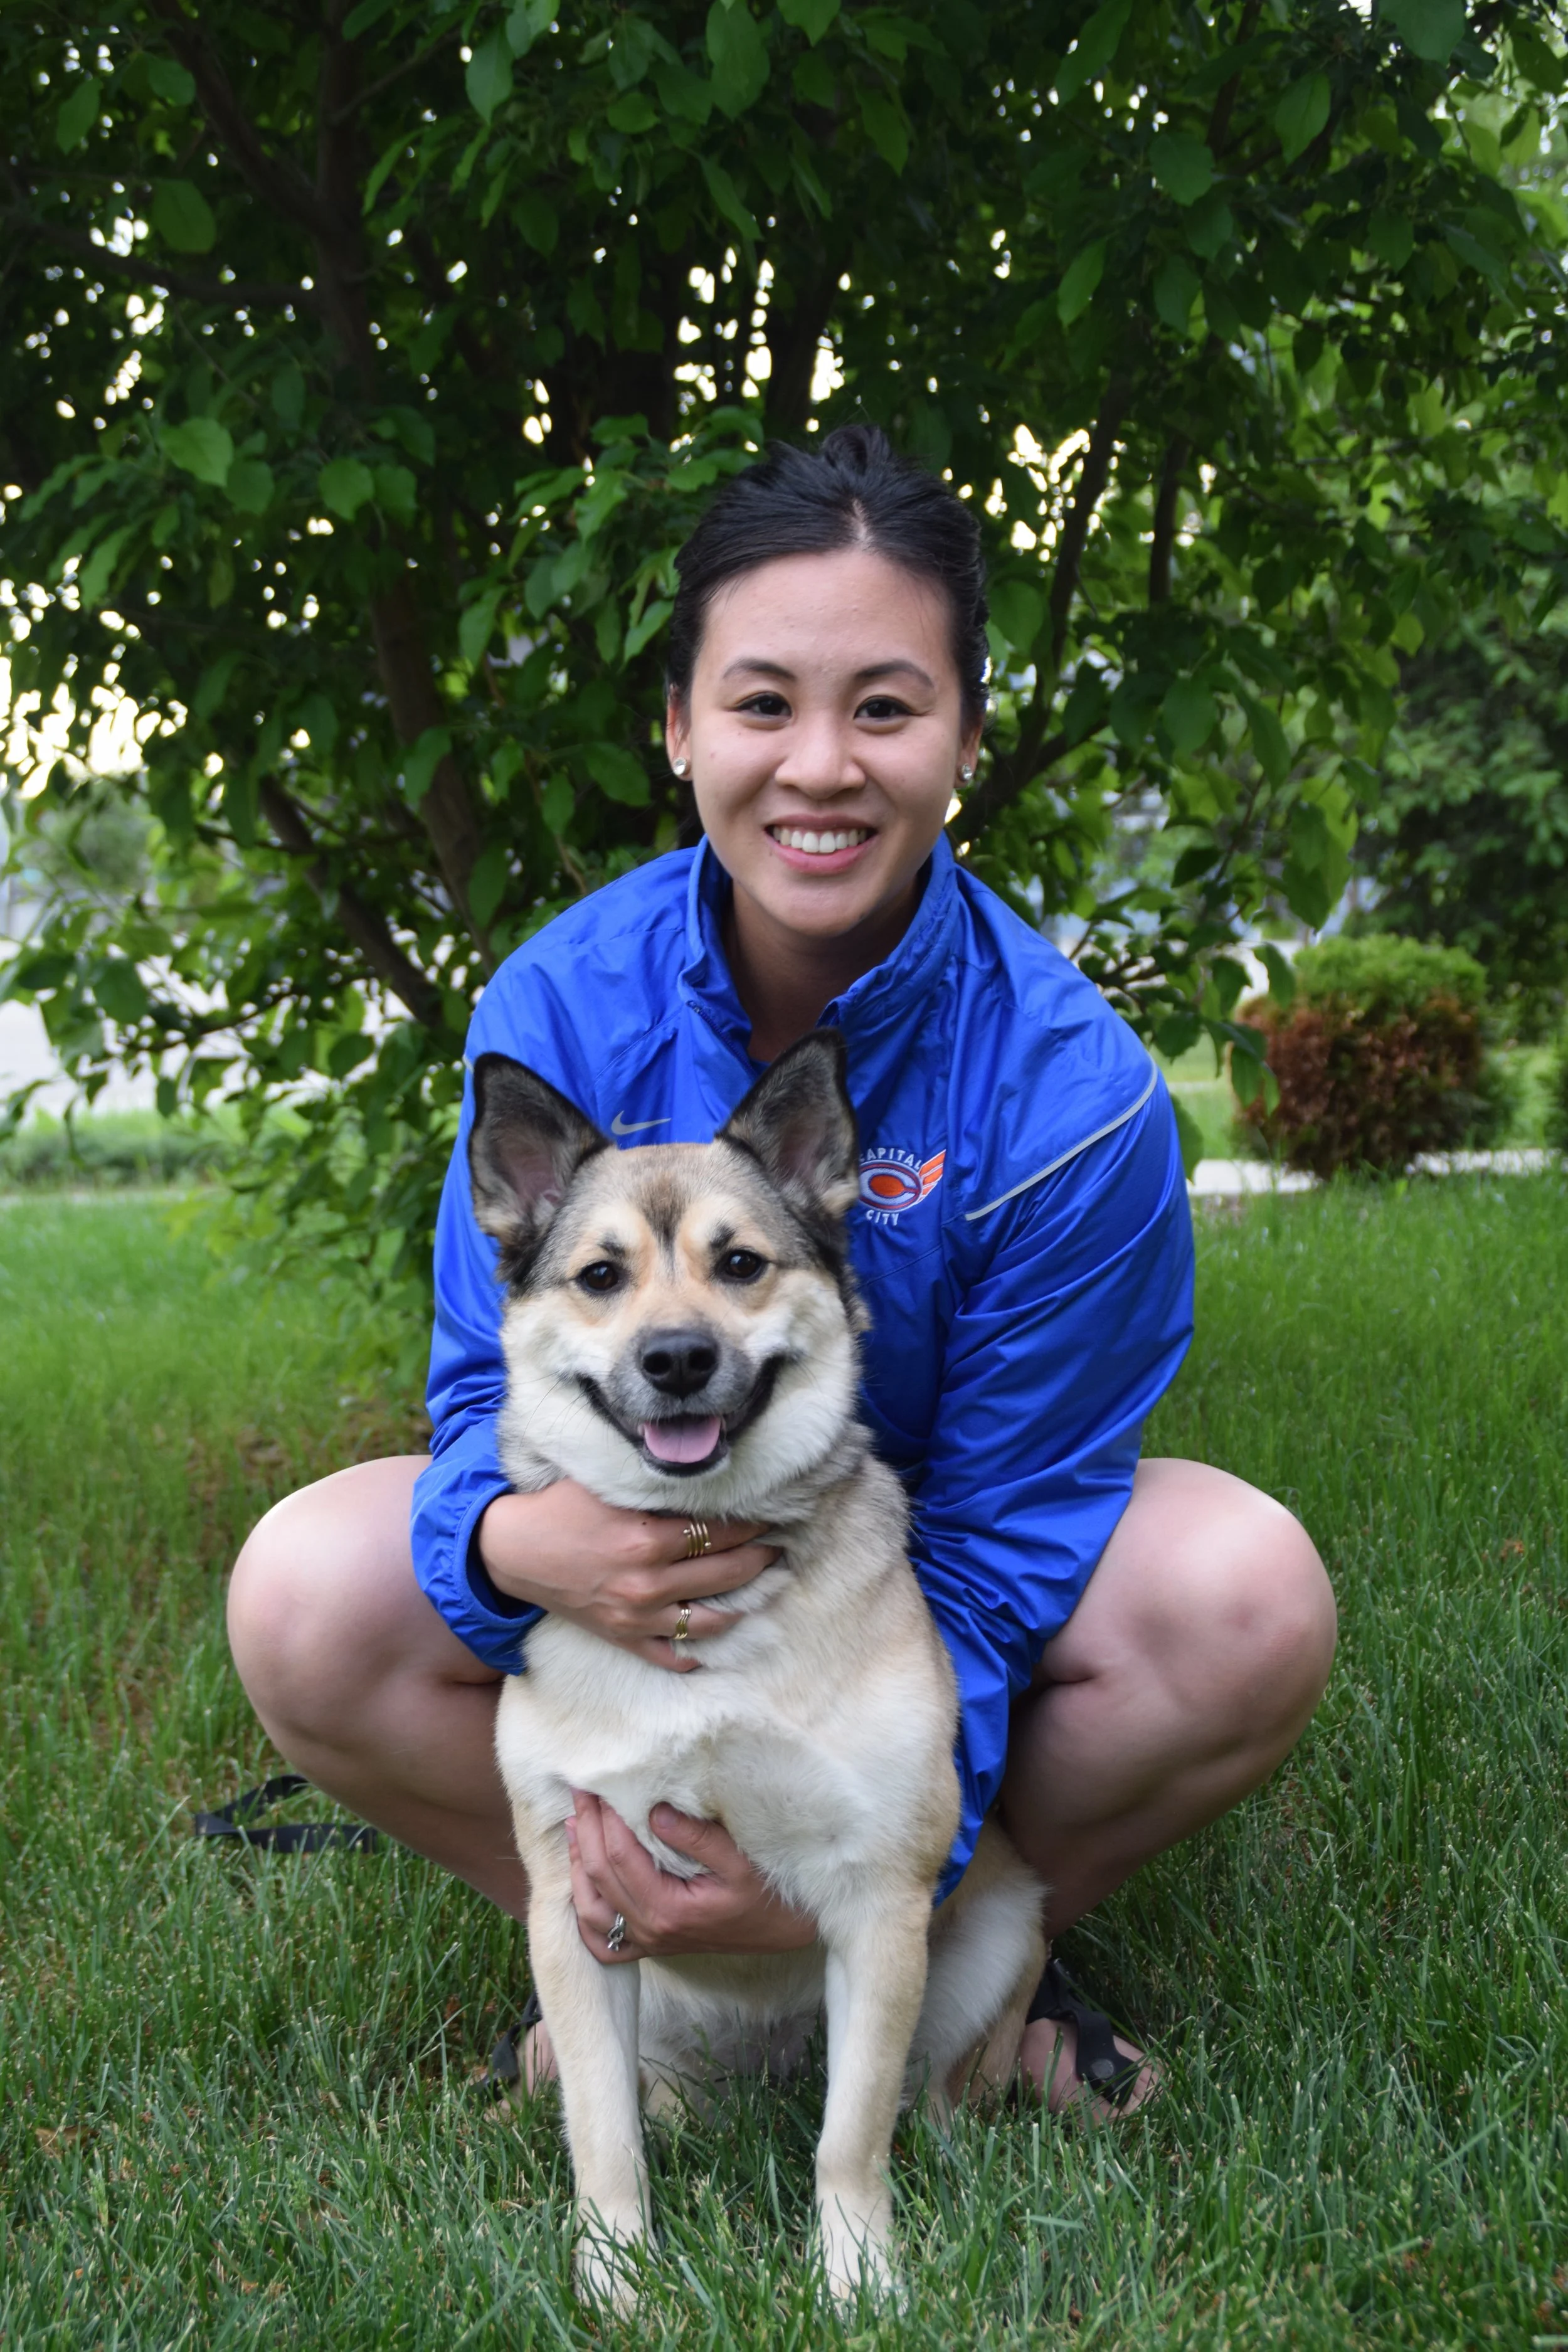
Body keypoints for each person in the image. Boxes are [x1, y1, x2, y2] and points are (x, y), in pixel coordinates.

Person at [229, 427, 1336, 2117]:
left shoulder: (1070, 1094)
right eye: (761, 703)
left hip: (897, 1606)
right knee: (309, 1587)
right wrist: (512, 1539)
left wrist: (900, 1838)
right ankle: (633, 1960)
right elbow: (482, 1394)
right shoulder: (556, 1005)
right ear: (677, 726)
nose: (817, 764)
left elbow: (999, 1537)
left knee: (1243, 1590)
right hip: (615, 1568)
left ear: (964, 734)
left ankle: (953, 1938)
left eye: (884, 708)